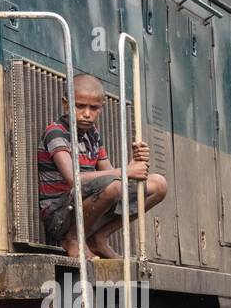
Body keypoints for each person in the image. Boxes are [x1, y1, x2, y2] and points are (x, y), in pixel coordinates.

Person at [38, 73, 168, 259]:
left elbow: (110, 174)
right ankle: (73, 239)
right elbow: (74, 179)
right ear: (65, 104)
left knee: (158, 184)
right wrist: (125, 171)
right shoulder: (56, 133)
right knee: (114, 185)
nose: (87, 114)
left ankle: (99, 237)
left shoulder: (92, 133)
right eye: (80, 106)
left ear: (102, 108)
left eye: (94, 108)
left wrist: (135, 164)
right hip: (59, 215)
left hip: (84, 208)